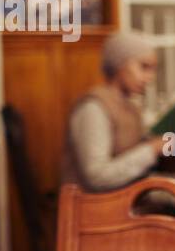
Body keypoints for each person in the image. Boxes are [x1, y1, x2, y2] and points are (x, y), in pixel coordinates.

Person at [59, 31, 165, 192]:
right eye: (143, 67)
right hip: (94, 211)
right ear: (119, 64)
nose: (149, 77)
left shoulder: (131, 106)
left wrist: (166, 142)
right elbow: (97, 177)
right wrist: (151, 150)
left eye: (152, 69)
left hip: (125, 206)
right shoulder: (93, 108)